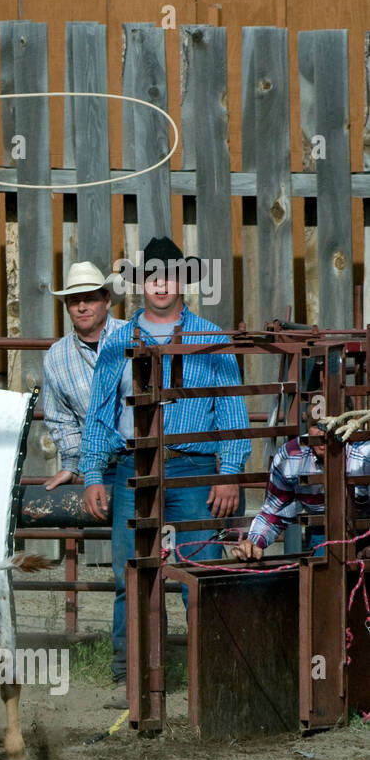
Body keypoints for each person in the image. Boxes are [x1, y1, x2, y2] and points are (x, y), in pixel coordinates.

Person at [79, 236, 251, 708]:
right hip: (131, 467)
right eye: (151, 275)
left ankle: (210, 670)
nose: (160, 284)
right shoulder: (118, 341)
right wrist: (93, 472)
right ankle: (129, 677)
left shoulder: (211, 339)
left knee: (198, 567)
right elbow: (99, 412)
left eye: (168, 275)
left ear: (182, 281)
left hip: (192, 468)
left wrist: (229, 471)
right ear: (140, 283)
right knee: (130, 571)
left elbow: (231, 411)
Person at [230, 419, 370, 560]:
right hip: (324, 528)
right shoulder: (291, 455)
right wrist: (254, 542)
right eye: (317, 425)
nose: (322, 433)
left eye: (332, 425)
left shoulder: (365, 452)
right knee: (321, 569)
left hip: (364, 526)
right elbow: (275, 511)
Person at [41, 261, 123, 491]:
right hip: (98, 466)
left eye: (90, 299)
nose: (82, 307)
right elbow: (61, 417)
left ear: (106, 301)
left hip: (144, 459)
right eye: (75, 301)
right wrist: (72, 463)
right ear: (67, 306)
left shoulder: (132, 338)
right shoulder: (57, 356)